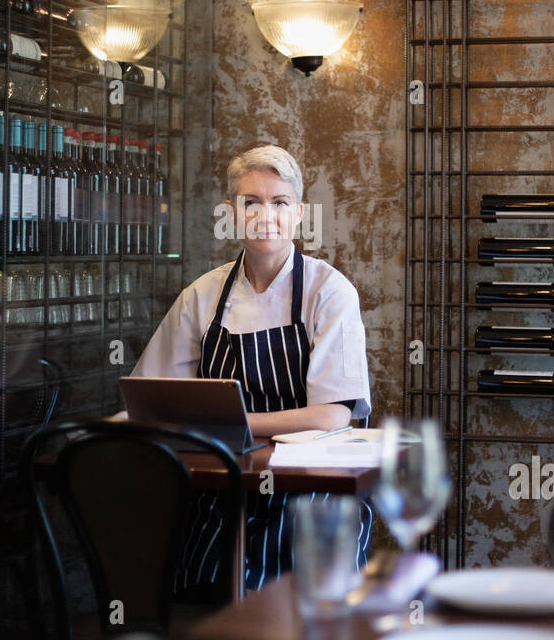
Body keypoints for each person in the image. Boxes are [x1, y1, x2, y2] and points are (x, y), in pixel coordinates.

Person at [131, 144, 373, 592]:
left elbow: (332, 415)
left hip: (312, 496)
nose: (266, 215)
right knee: (209, 614)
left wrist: (227, 419)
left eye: (279, 202)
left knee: (305, 630)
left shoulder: (329, 292)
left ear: (299, 213)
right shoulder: (202, 296)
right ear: (231, 213)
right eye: (251, 202)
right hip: (221, 491)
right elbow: (153, 395)